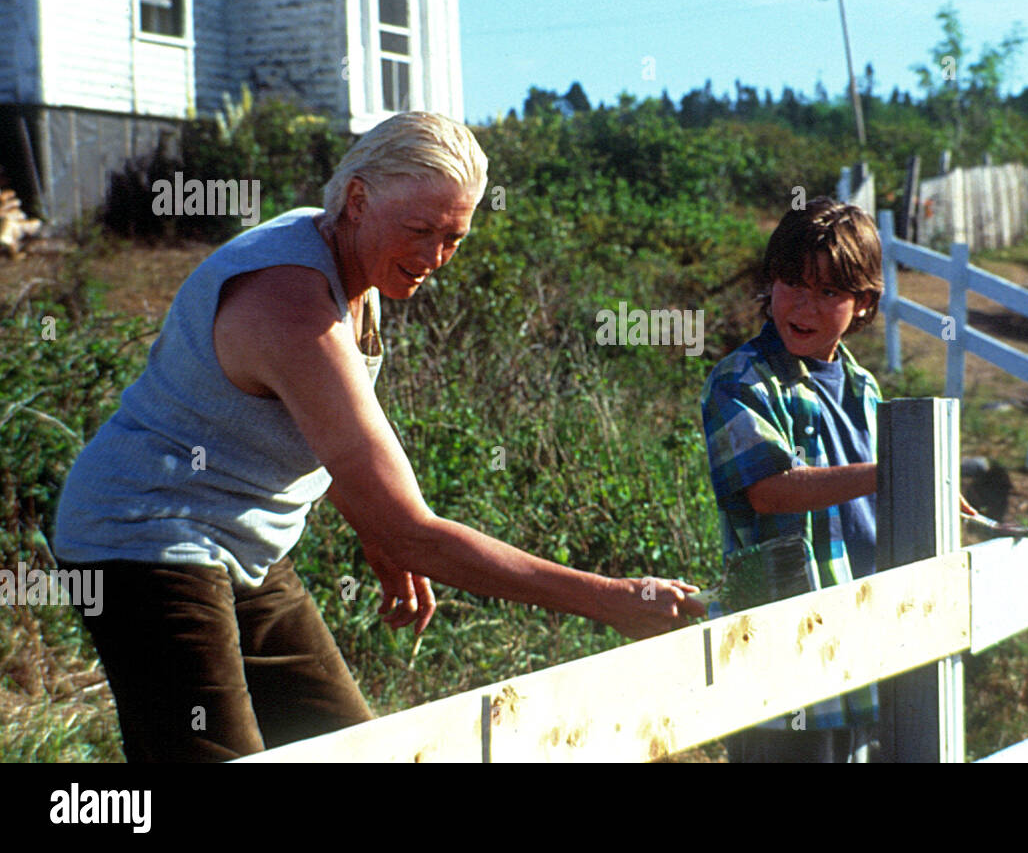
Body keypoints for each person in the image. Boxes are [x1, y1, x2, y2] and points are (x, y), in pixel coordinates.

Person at [52, 111, 704, 762]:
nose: (433, 259)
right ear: (359, 200)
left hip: (244, 538)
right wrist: (612, 599)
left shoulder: (354, 257)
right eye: (420, 231)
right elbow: (415, 529)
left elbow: (328, 430)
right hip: (143, 532)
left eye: (453, 237)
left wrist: (374, 526)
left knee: (349, 748)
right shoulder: (290, 301)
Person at [700, 196, 886, 763]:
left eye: (829, 292)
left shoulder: (865, 389)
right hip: (782, 646)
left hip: (866, 638)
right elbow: (769, 489)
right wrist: (892, 474)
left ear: (863, 304)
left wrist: (924, 490)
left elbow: (877, 498)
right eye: (791, 284)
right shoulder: (742, 381)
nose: (803, 306)